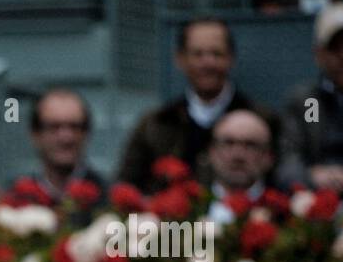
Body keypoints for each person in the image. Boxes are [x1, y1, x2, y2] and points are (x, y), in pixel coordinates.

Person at [118, 17, 276, 191]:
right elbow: (125, 187)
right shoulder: (156, 123)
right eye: (198, 54)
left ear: (231, 58)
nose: (208, 63)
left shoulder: (262, 121)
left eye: (217, 53)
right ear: (180, 59)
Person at [277, 1, 343, 194]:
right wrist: (312, 176)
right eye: (335, 47)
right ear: (319, 54)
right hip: (313, 199)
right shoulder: (310, 102)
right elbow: (290, 160)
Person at [5, 88, 106, 222]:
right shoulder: (15, 200)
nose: (65, 137)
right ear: (35, 134)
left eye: (74, 127)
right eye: (54, 127)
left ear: (87, 133)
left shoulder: (108, 199)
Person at [205, 110, 276, 226]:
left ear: (269, 157)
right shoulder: (185, 208)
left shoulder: (285, 213)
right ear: (211, 152)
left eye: (250, 145)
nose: (238, 155)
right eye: (228, 143)